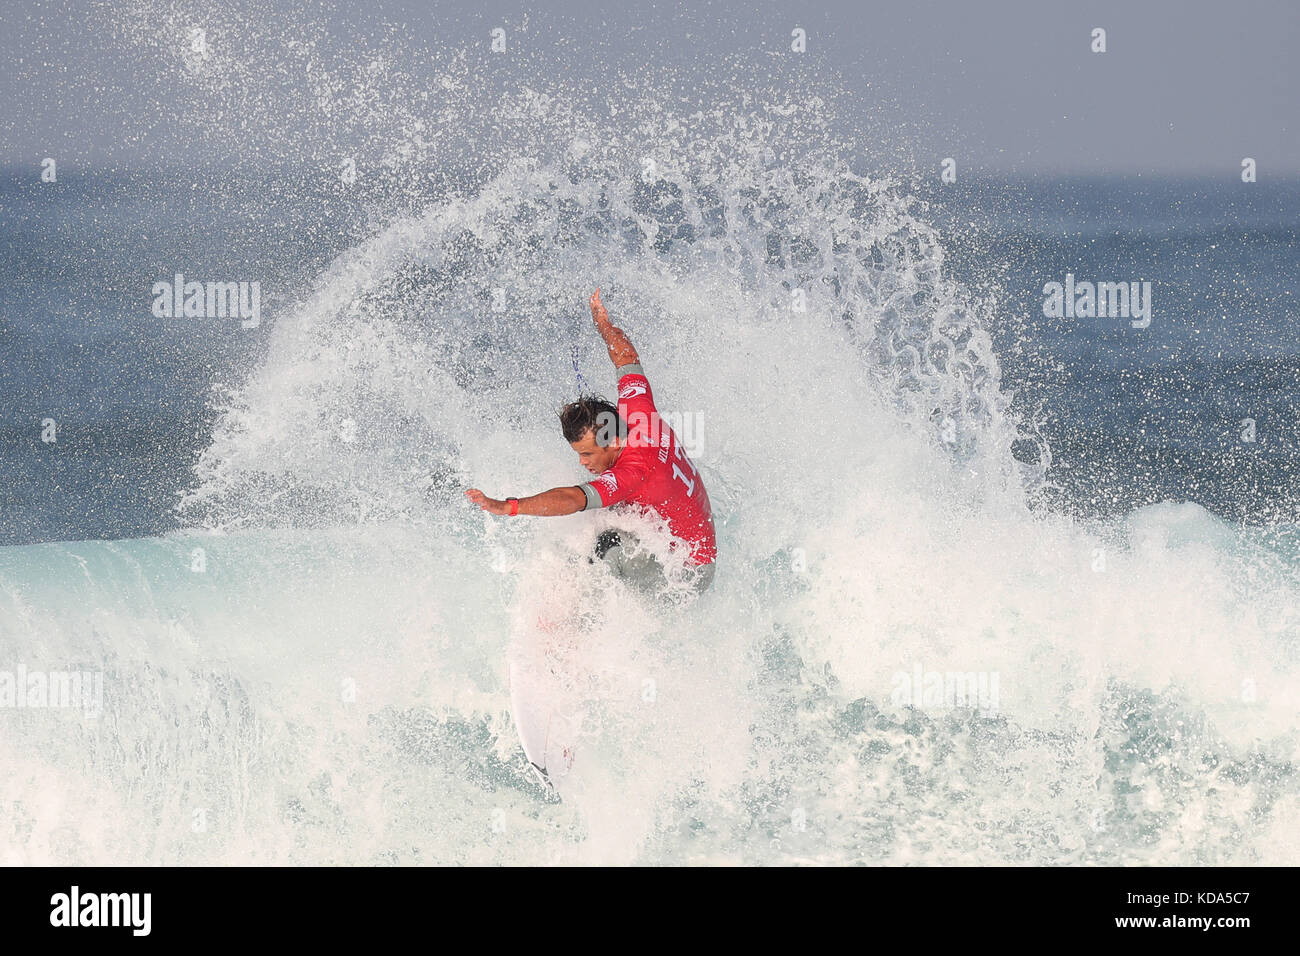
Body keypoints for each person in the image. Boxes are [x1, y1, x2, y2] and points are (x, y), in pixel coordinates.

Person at [466, 289, 716, 596]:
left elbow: (572, 499)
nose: (583, 462)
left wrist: (509, 506)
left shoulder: (632, 471)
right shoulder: (639, 413)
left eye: (587, 453)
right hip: (684, 542)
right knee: (591, 533)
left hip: (686, 577)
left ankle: (582, 633)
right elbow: (626, 357)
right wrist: (603, 324)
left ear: (611, 442)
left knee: (604, 543)